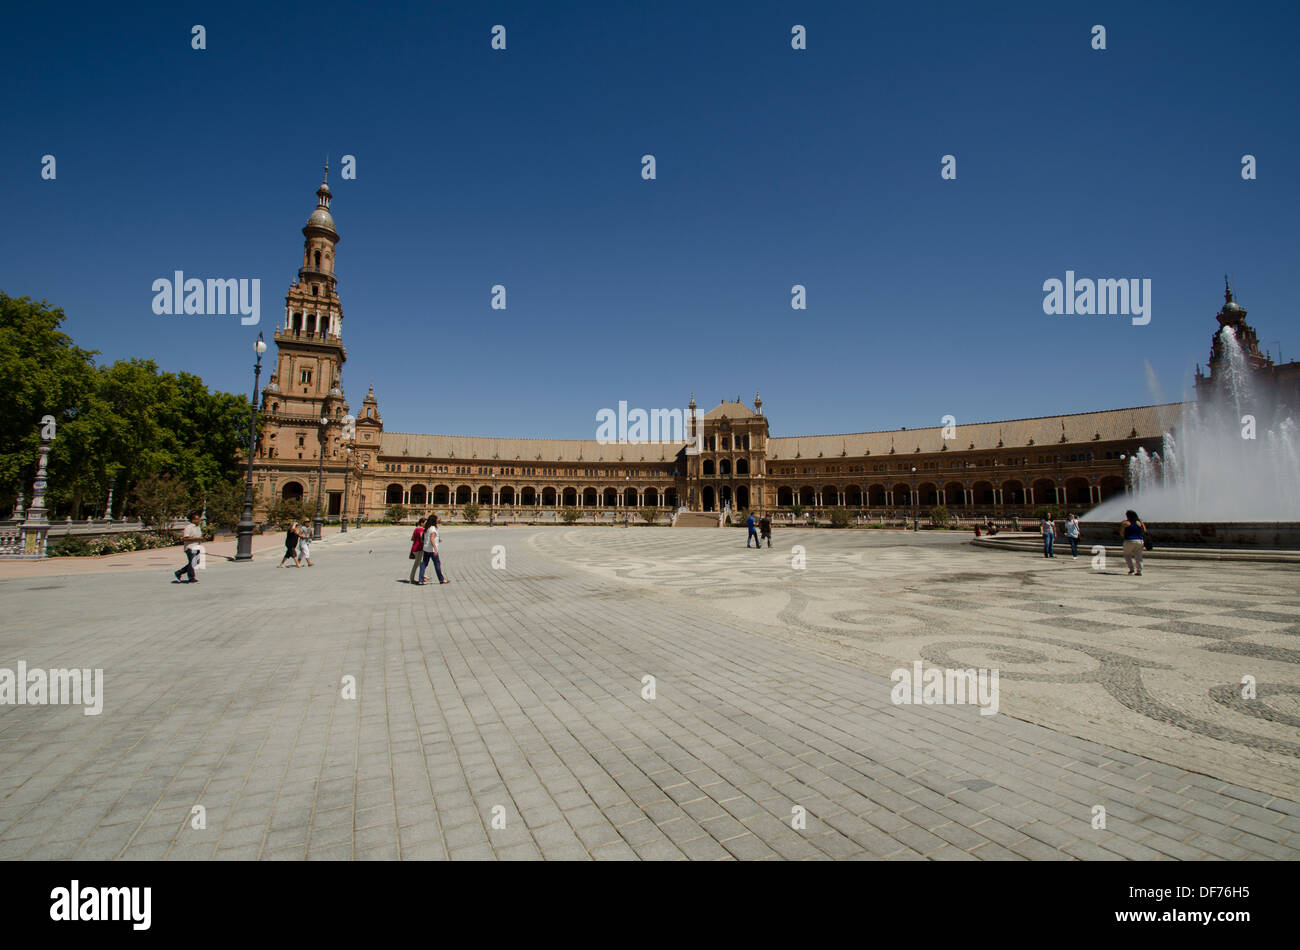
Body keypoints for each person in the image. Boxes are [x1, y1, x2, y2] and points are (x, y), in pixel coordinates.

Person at [417, 514, 448, 585]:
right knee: (437, 564)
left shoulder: (427, 528)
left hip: (426, 548)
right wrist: (435, 549)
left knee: (424, 564)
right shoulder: (433, 529)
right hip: (432, 549)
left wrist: (438, 539)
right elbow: (431, 539)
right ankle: (441, 579)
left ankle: (420, 580)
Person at [173, 513, 203, 583]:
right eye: (197, 519)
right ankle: (191, 577)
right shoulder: (189, 527)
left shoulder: (198, 527)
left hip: (197, 547)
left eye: (199, 519)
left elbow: (198, 537)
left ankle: (179, 572)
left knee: (195, 563)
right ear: (193, 520)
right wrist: (197, 539)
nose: (199, 520)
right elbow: (185, 538)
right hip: (190, 548)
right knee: (192, 562)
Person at [1121, 509, 1146, 575]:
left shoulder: (1125, 523)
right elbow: (1144, 531)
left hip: (1129, 540)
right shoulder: (1139, 522)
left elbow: (1121, 532)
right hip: (1139, 540)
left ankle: (1131, 570)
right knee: (1138, 556)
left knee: (1127, 555)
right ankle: (1139, 571)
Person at [408, 516, 427, 583]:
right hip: (419, 549)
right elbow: (422, 539)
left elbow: (412, 538)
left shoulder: (416, 529)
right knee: (417, 564)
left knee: (419, 563)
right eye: (425, 523)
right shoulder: (421, 530)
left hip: (414, 548)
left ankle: (424, 576)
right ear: (422, 523)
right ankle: (411, 579)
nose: (426, 524)